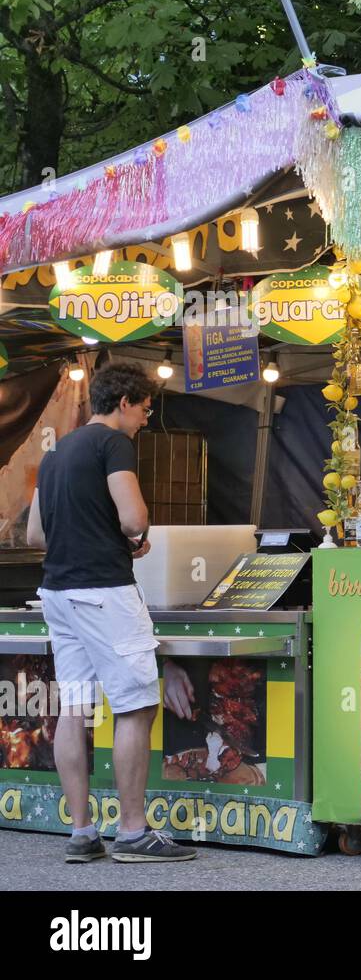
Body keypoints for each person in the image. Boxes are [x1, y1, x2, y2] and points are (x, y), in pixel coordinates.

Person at [26, 362, 197, 864]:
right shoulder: (113, 444)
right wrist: (133, 536)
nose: (145, 420)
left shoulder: (54, 452)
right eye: (144, 410)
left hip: (57, 593)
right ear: (123, 403)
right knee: (135, 707)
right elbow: (134, 517)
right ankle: (133, 832)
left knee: (74, 708)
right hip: (105, 592)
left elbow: (36, 535)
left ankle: (82, 832)